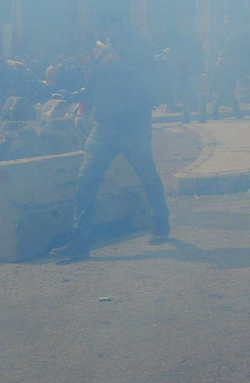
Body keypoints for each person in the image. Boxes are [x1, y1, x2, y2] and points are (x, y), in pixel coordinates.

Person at [50, 27, 171, 261]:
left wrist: (118, 63)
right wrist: (83, 104)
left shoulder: (139, 48)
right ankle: (80, 240)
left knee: (148, 176)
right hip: (103, 128)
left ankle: (160, 221)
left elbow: (148, 82)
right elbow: (95, 83)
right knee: (86, 181)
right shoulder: (101, 51)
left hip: (134, 127)